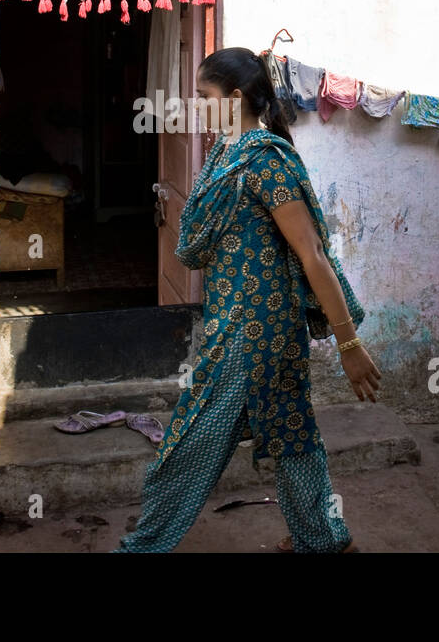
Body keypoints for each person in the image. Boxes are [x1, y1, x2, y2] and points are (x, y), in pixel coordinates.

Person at [112, 46, 381, 553]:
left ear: (234, 98)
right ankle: (324, 539)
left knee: (192, 438)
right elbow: (198, 243)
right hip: (238, 320)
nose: (196, 107)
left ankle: (143, 546)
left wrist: (349, 345)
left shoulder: (263, 163)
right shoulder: (225, 157)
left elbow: (313, 255)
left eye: (204, 97)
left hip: (254, 332)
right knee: (293, 434)